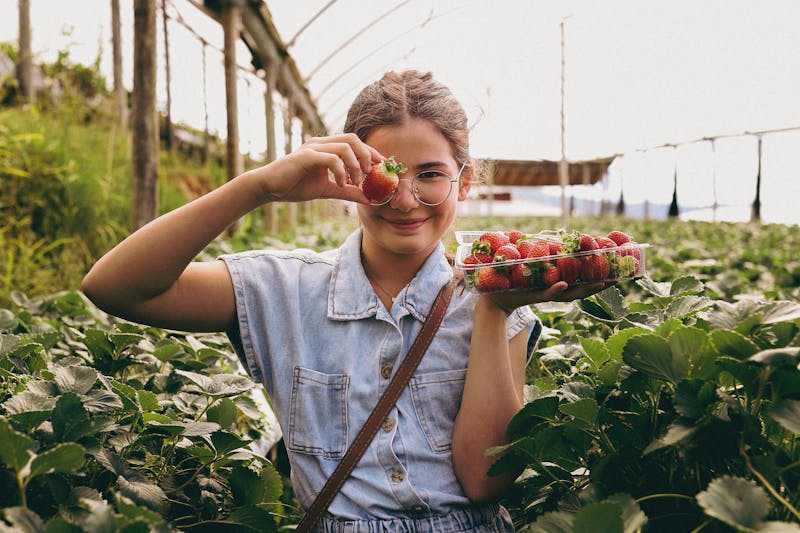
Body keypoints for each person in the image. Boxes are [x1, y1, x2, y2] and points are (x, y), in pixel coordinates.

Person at [82, 70, 606, 532]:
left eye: (430, 174)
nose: (406, 200)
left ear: (464, 182)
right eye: (387, 175)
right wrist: (259, 187)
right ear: (349, 173)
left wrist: (496, 310)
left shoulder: (498, 300)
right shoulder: (282, 290)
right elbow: (115, 287)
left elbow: (483, 483)